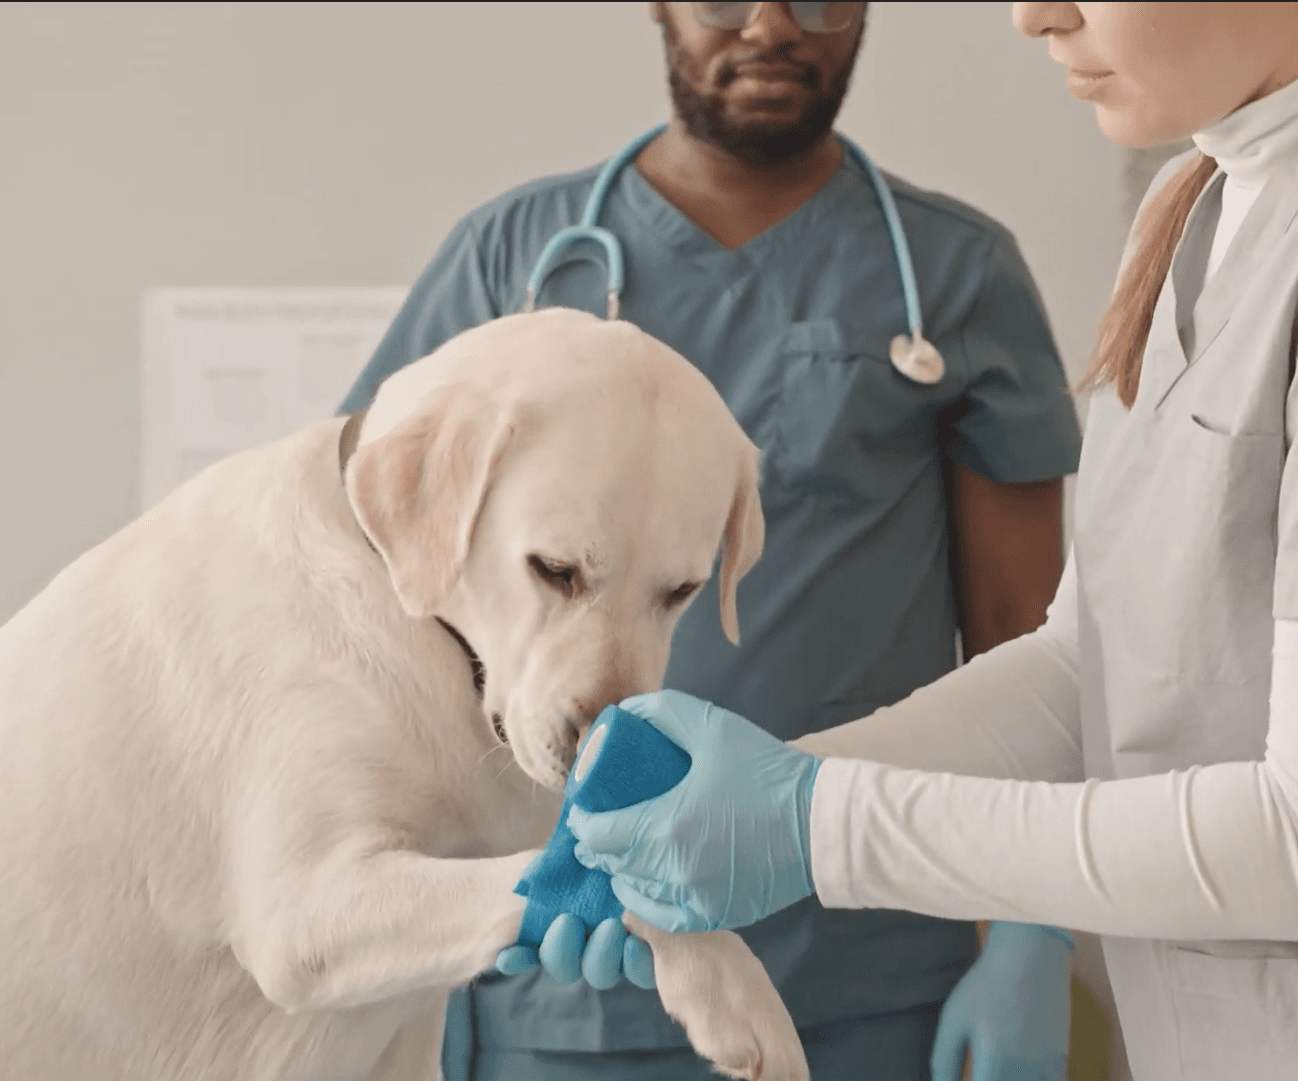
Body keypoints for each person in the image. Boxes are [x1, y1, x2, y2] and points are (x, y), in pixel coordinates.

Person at [557, 3, 1298, 1079]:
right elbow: (1086, 665)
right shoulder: (1194, 199)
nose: (1032, 15)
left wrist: (811, 826)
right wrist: (753, 790)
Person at [339, 3, 1085, 1078]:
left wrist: (1030, 933)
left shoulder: (956, 275)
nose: (773, 25)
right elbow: (374, 605)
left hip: (862, 966)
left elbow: (1030, 639)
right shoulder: (510, 258)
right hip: (550, 963)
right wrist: (419, 943)